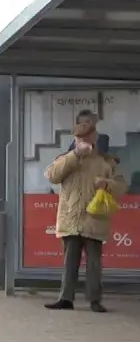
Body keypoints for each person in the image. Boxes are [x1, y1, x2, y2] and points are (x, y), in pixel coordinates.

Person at [44, 117, 125, 312]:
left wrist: (106, 184)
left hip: (94, 218)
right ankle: (66, 298)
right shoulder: (67, 158)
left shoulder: (106, 161)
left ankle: (94, 299)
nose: (84, 141)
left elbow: (122, 186)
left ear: (94, 137)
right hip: (71, 217)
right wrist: (74, 156)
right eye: (80, 138)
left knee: (94, 263)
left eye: (87, 137)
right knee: (69, 262)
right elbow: (52, 176)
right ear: (75, 138)